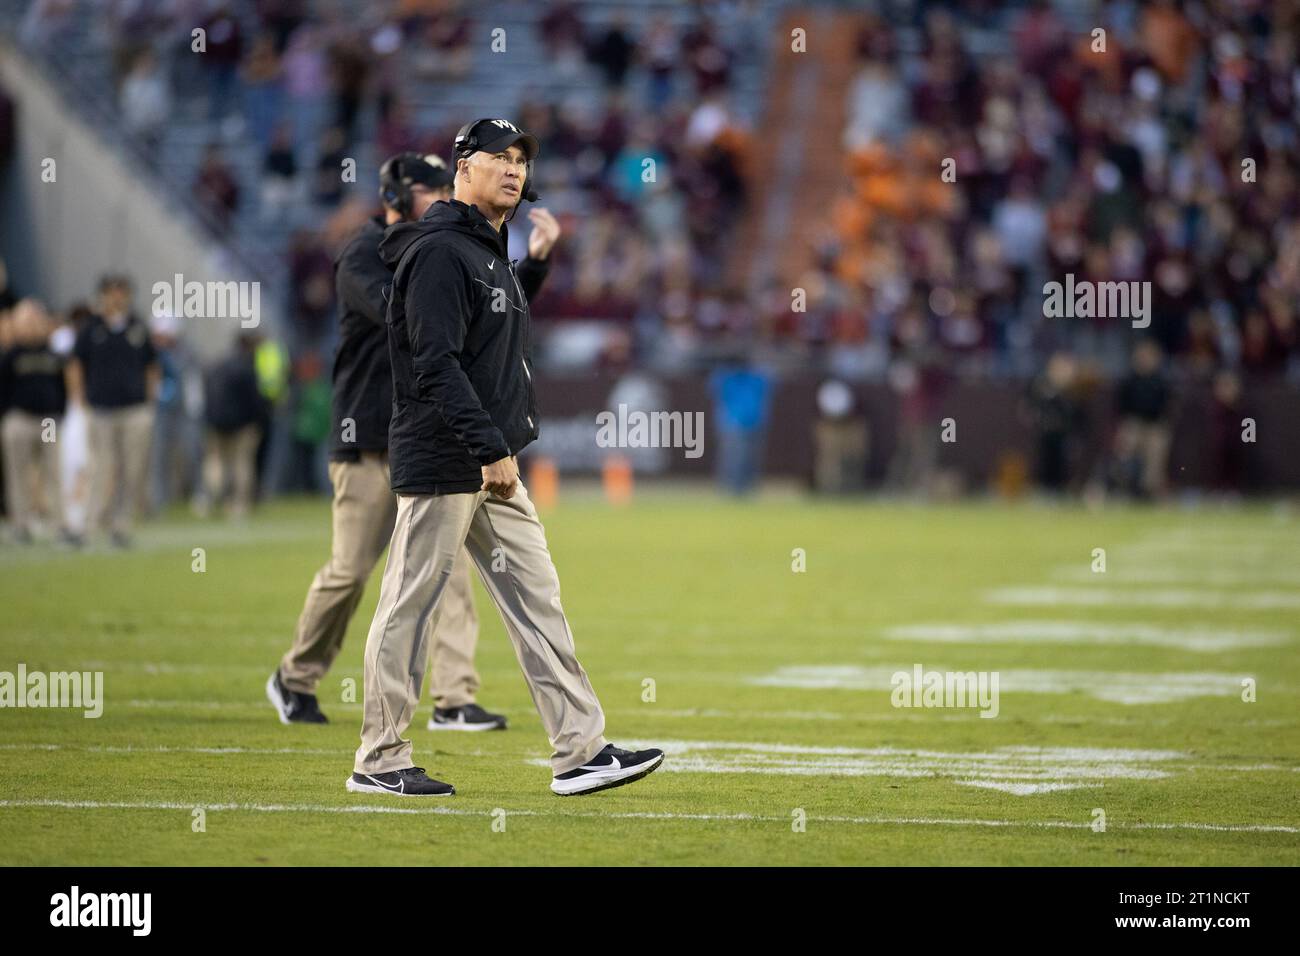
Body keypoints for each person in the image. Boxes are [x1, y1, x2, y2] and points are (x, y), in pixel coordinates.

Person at [349, 118, 664, 797]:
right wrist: (487, 446)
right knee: (410, 606)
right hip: (447, 459)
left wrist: (539, 263)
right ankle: (378, 758)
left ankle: (580, 751)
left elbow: (494, 325)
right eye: (500, 157)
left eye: (521, 159)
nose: (515, 169)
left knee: (537, 599)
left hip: (493, 465)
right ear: (463, 167)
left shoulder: (485, 248)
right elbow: (434, 361)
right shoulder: (440, 250)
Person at [271, 154, 541, 731]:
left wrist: (531, 269)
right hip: (368, 437)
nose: (443, 194)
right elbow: (411, 314)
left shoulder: (440, 247)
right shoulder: (367, 253)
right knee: (351, 571)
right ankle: (296, 676)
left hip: (427, 436)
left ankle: (453, 698)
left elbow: (483, 317)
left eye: (447, 184)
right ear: (395, 195)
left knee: (450, 576)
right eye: (431, 187)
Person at [66, 275, 159, 547]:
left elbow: (152, 366)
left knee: (131, 469)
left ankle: (121, 525)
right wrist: (78, 396)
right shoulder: (91, 328)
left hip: (134, 409)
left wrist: (150, 401)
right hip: (101, 409)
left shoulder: (138, 327)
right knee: (100, 467)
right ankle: (89, 524)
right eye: (112, 292)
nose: (118, 298)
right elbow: (75, 363)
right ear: (103, 296)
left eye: (122, 292)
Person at [0, 299, 75, 544]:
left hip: (48, 421)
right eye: (26, 321)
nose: (32, 326)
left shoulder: (52, 354)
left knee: (53, 471)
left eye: (35, 320)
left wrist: (60, 412)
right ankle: (20, 524)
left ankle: (59, 524)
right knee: (17, 473)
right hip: (19, 418)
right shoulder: (11, 355)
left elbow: (62, 386)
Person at [200, 334, 264, 519]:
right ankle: (239, 504)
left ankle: (210, 500)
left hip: (214, 422)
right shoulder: (247, 368)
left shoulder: (217, 365)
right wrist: (259, 420)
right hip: (242, 424)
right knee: (242, 463)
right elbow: (254, 400)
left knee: (215, 461)